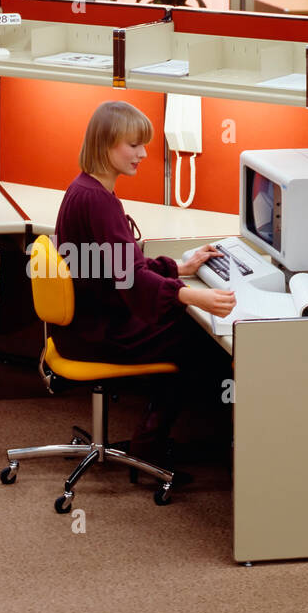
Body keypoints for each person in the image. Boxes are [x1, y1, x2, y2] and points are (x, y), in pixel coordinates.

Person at [52, 100, 235, 472]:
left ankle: (155, 440)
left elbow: (122, 265)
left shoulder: (85, 189)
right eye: (133, 145)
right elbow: (131, 279)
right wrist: (190, 294)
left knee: (189, 329)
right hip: (99, 332)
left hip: (85, 324)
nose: (143, 153)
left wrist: (178, 268)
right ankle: (152, 445)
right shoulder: (98, 202)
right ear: (106, 145)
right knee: (198, 339)